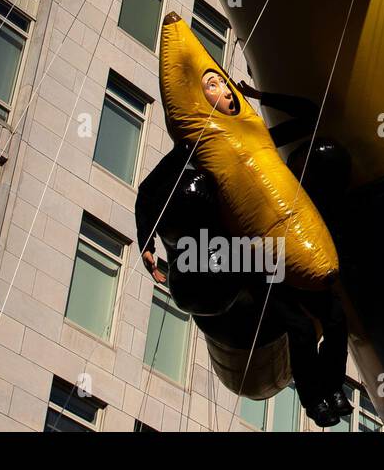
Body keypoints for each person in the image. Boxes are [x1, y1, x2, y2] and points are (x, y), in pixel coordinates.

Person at [135, 72, 352, 427]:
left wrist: (258, 94)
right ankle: (315, 400)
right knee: (297, 325)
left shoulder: (253, 138)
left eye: (224, 84)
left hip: (282, 248)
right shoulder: (192, 147)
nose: (224, 91)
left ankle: (332, 386)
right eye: (212, 86)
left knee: (334, 315)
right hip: (248, 262)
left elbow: (309, 115)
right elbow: (148, 192)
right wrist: (146, 240)